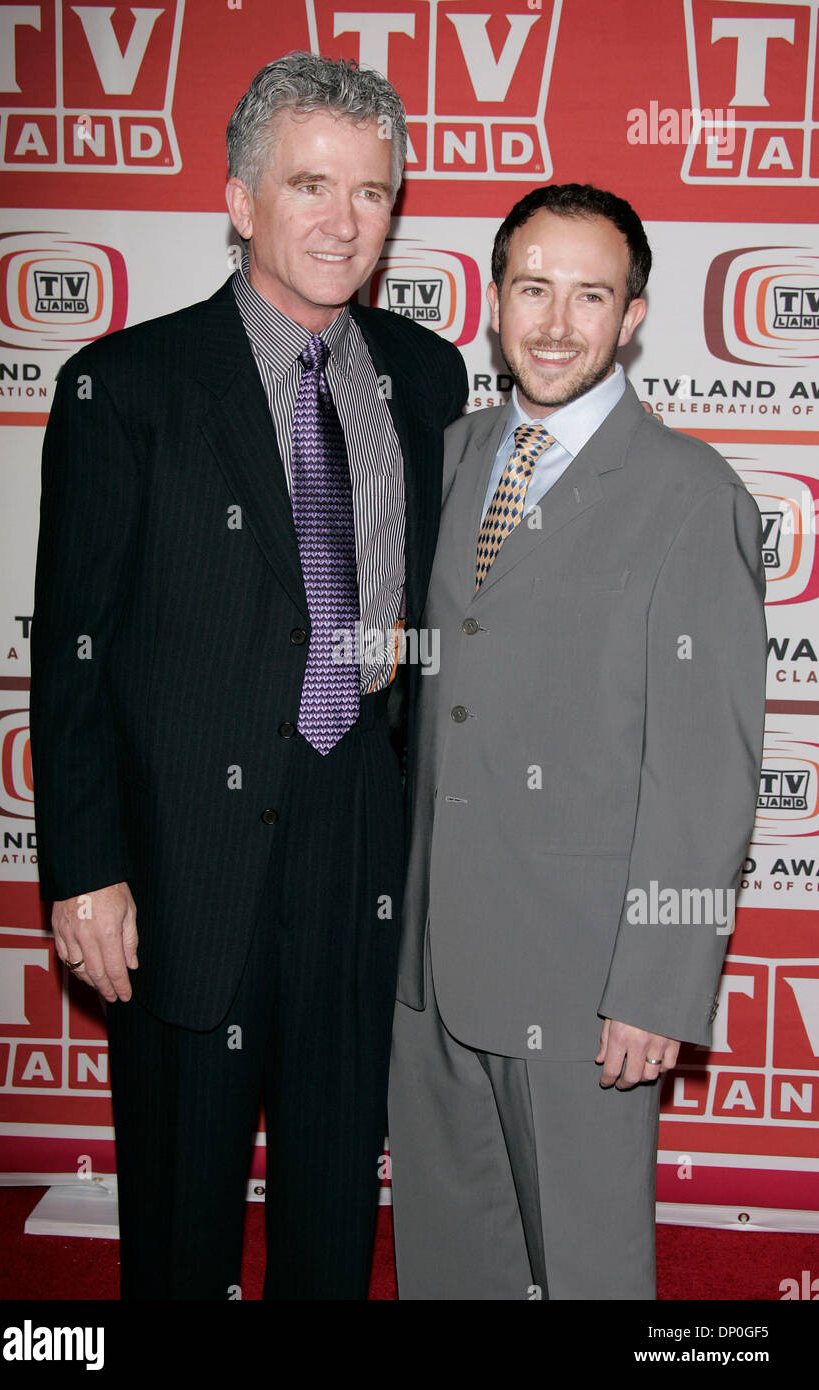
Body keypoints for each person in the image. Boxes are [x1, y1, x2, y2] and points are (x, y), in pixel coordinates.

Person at [30, 51, 467, 1300]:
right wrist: (86, 868)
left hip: (359, 841)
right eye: (310, 186)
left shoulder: (425, 374)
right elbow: (72, 647)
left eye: (374, 193)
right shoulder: (127, 386)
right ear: (238, 201)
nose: (344, 222)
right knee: (180, 1222)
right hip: (184, 860)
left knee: (335, 1213)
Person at [387, 183, 766, 1300]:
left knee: (591, 1272)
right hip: (427, 966)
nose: (555, 324)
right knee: (449, 1265)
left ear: (633, 314)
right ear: (493, 302)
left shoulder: (691, 495)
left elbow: (706, 769)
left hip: (588, 976)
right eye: (532, 289)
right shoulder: (444, 458)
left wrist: (656, 982)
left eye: (588, 296)